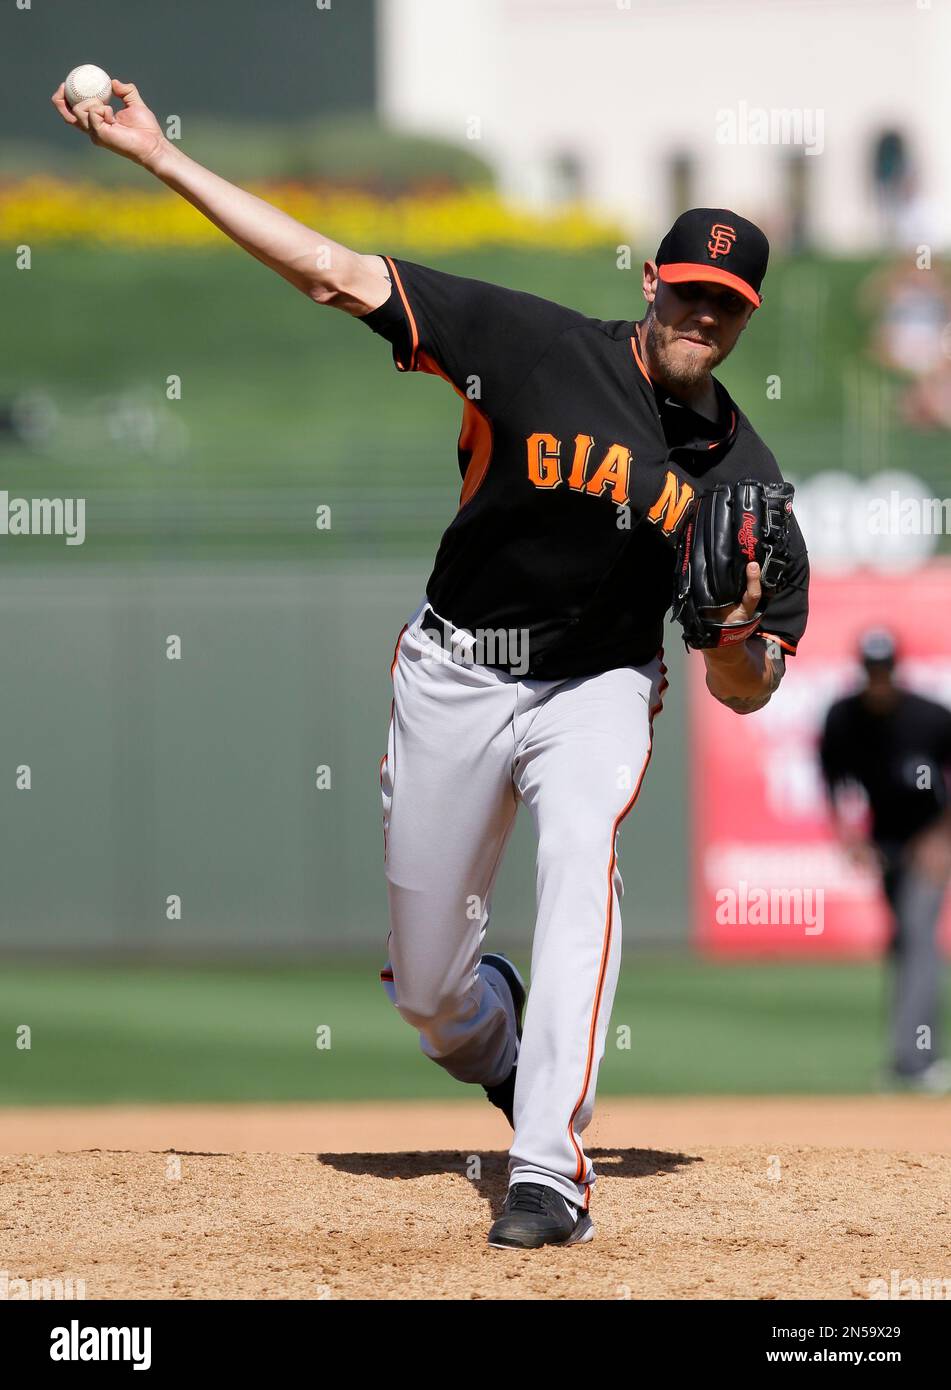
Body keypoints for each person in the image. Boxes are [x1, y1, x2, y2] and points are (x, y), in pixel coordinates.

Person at [53, 78, 810, 1248]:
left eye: (727, 306)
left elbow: (743, 685)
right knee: (431, 999)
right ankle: (493, 1036)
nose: (703, 317)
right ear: (650, 283)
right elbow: (334, 270)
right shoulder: (530, 346)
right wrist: (160, 157)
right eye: (690, 292)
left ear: (746, 318)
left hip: (598, 687)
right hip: (456, 668)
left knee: (580, 859)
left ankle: (550, 1167)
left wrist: (728, 638)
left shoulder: (751, 487)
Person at [820, 629, 951, 1092]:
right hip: (887, 843)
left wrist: (941, 838)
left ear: (895, 670)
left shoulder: (929, 717)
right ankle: (915, 1055)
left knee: (917, 936)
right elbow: (832, 781)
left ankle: (914, 1063)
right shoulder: (844, 719)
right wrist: (848, 836)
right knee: (904, 942)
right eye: (871, 671)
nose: (878, 680)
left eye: (884, 671)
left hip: (930, 840)